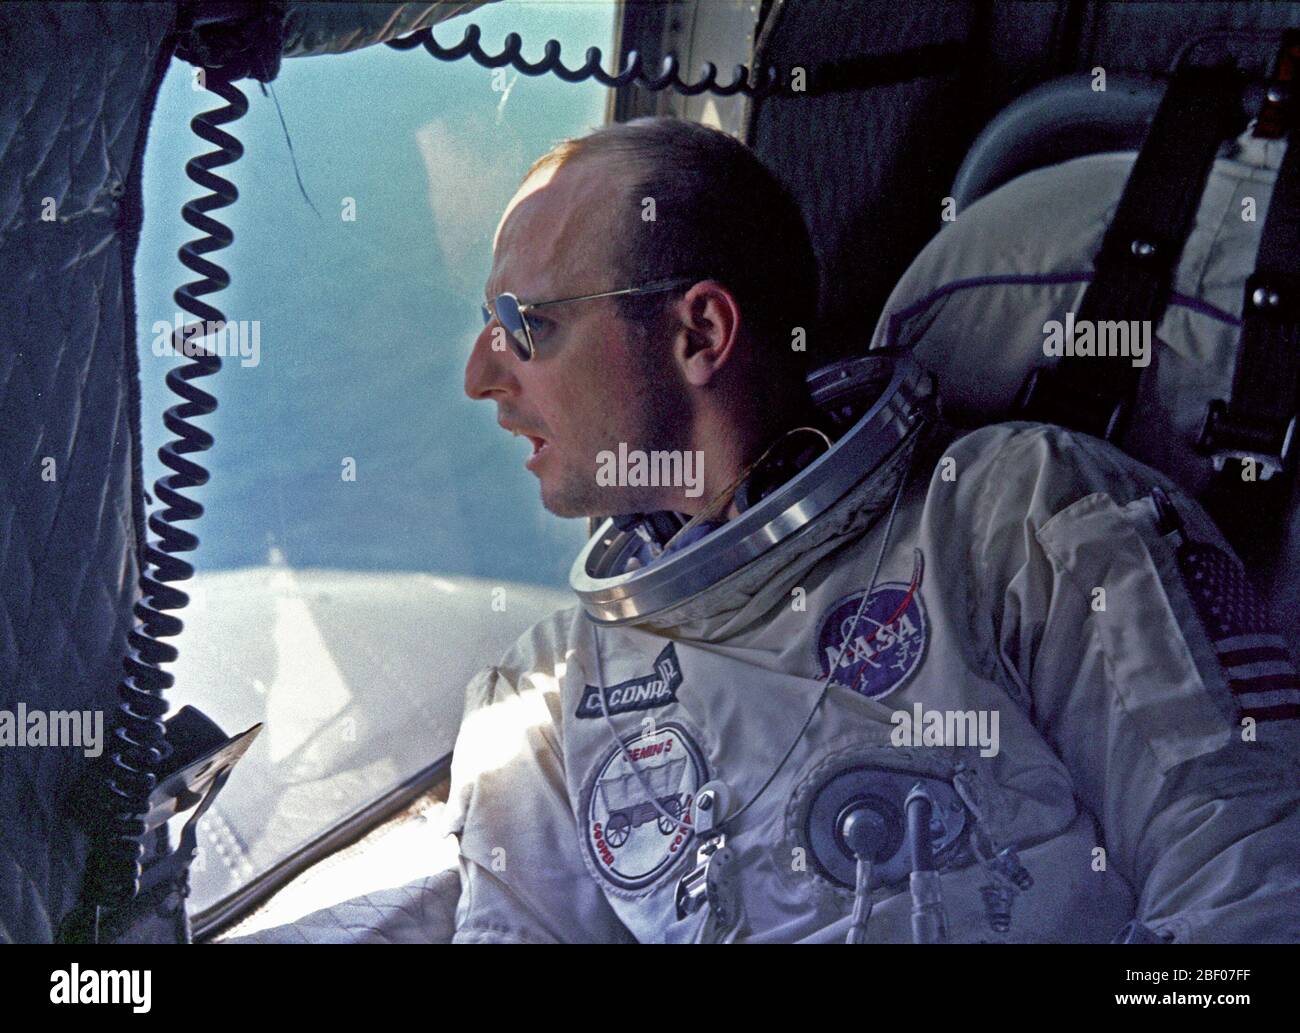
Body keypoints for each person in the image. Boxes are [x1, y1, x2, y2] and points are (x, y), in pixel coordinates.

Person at [448, 115, 1300, 944]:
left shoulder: (1020, 518)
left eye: (527, 326)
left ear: (698, 333)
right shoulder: (547, 699)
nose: (480, 376)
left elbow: (1250, 887)